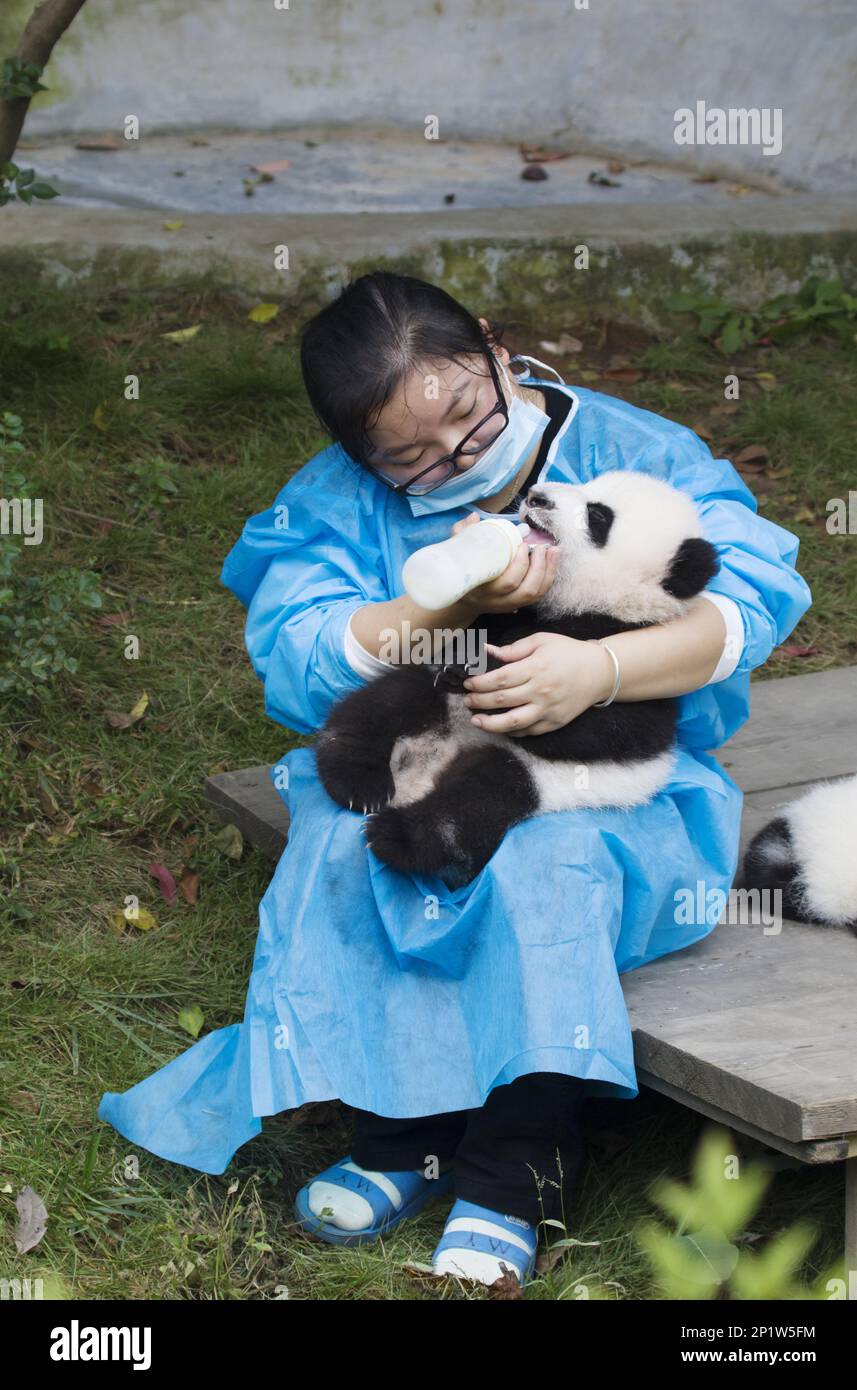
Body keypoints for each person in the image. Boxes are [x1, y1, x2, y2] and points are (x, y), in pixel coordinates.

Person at [98, 271, 812, 1288]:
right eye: (411, 461)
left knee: (541, 865)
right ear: (359, 461)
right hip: (428, 743)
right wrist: (437, 602)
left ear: (490, 348)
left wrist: (600, 668)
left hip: (609, 787)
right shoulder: (337, 502)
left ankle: (514, 1166)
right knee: (354, 845)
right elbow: (298, 651)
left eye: (471, 422)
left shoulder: (631, 451)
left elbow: (746, 592)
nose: (457, 462)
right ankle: (399, 1133)